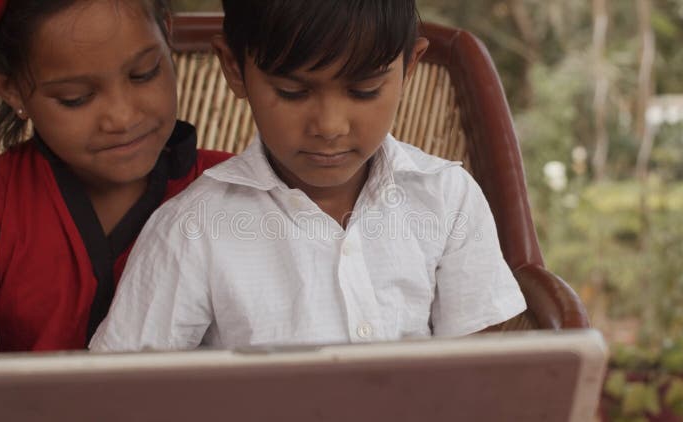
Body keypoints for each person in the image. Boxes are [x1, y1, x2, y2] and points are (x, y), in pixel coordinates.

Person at [90, 0, 526, 352]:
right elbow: (122, 389)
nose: (330, 125)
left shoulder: (446, 199)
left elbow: (477, 376)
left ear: (410, 67)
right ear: (233, 67)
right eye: (293, 92)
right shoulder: (192, 230)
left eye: (364, 90)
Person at [0, 0, 232, 417]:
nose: (122, 117)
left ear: (167, 36)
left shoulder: (236, 190)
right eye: (75, 98)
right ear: (9, 88)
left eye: (144, 74)